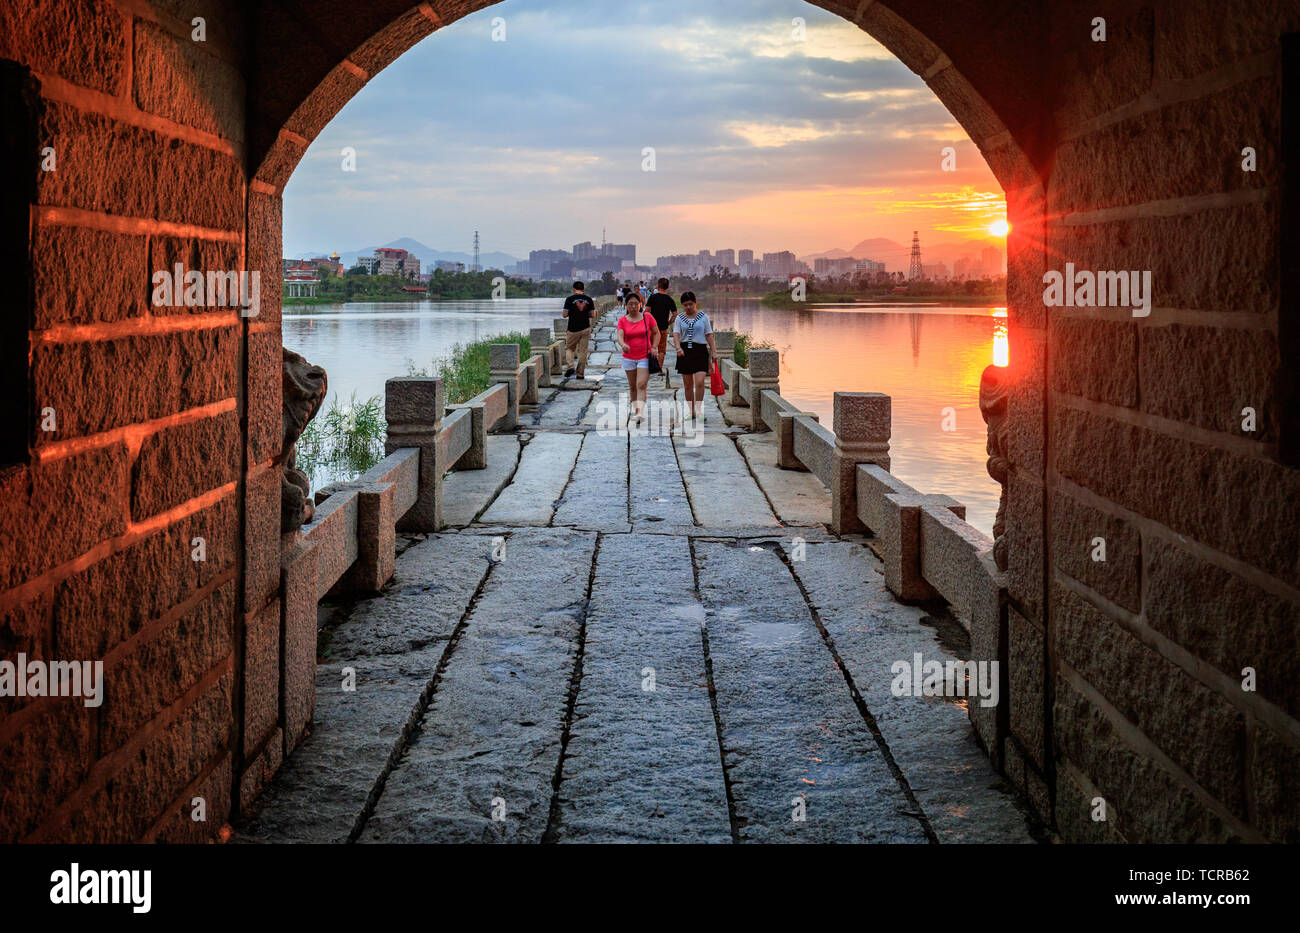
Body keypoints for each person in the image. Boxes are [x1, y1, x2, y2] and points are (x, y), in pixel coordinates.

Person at [615, 292, 660, 424]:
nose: (633, 306)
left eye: (636, 304)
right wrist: (623, 344)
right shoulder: (623, 320)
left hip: (644, 356)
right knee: (632, 386)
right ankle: (635, 410)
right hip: (628, 357)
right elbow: (620, 335)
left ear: (640, 304)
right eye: (630, 304)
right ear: (626, 306)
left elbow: (657, 333)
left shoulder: (647, 317)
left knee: (641, 384)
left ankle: (640, 412)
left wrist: (654, 347)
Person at [672, 291, 717, 421]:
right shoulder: (680, 318)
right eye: (685, 305)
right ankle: (690, 411)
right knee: (687, 385)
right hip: (684, 351)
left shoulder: (703, 317)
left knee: (700, 381)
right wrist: (678, 347)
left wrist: (714, 351)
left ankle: (699, 410)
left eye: (691, 304)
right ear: (682, 305)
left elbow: (709, 335)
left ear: (695, 303)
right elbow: (676, 334)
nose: (688, 307)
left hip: (700, 351)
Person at [646, 277, 677, 388]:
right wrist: (669, 322)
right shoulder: (669, 299)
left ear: (658, 286)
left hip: (652, 328)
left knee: (650, 346)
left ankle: (649, 368)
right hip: (663, 327)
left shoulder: (652, 297)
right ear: (667, 287)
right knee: (662, 348)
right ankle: (659, 370)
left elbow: (646, 312)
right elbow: (675, 314)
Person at [562, 281, 595, 378]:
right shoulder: (589, 299)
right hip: (585, 328)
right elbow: (593, 314)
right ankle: (580, 374)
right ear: (583, 289)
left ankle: (570, 367)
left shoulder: (569, 299)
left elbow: (564, 314)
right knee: (583, 351)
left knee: (569, 348)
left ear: (574, 289)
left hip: (573, 328)